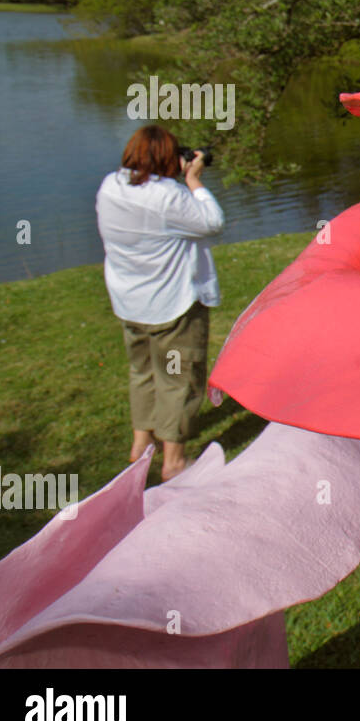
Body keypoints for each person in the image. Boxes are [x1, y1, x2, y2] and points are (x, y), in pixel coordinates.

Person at [96, 125, 224, 481]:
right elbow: (212, 223)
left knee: (143, 373)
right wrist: (194, 180)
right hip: (172, 305)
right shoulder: (168, 196)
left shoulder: (110, 186)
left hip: (129, 300)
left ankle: (140, 447)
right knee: (177, 379)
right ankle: (174, 462)